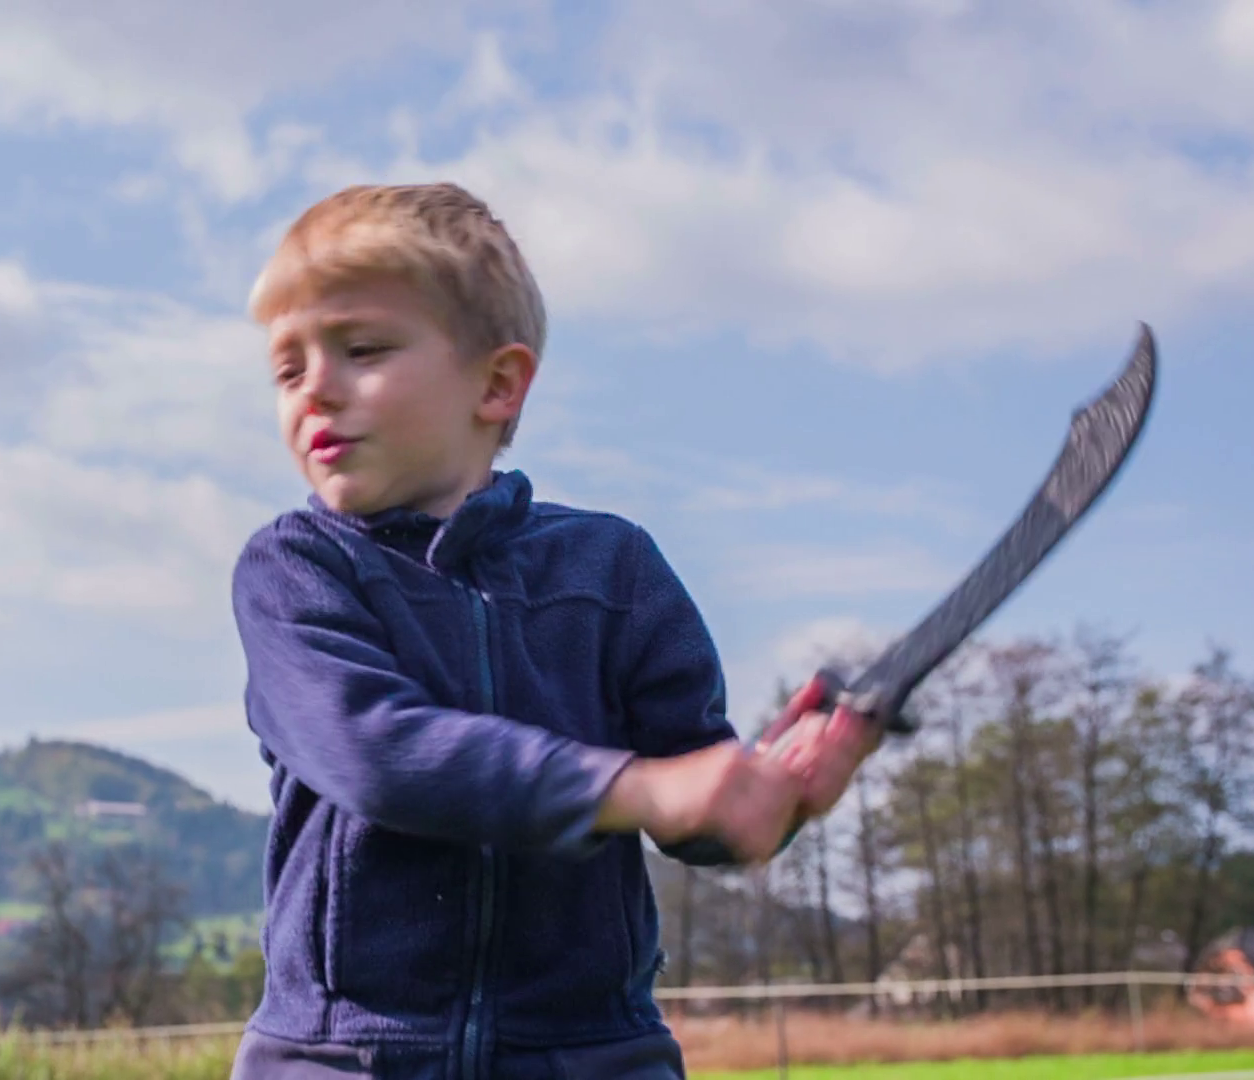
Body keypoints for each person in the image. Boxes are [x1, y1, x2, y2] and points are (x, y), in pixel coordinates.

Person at [228, 182, 881, 1080]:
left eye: (363, 349)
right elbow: (376, 752)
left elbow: (696, 807)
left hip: (593, 1058)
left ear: (497, 384)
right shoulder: (293, 571)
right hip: (344, 1059)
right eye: (288, 369)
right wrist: (641, 788)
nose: (318, 391)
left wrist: (781, 793)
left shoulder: (615, 574)